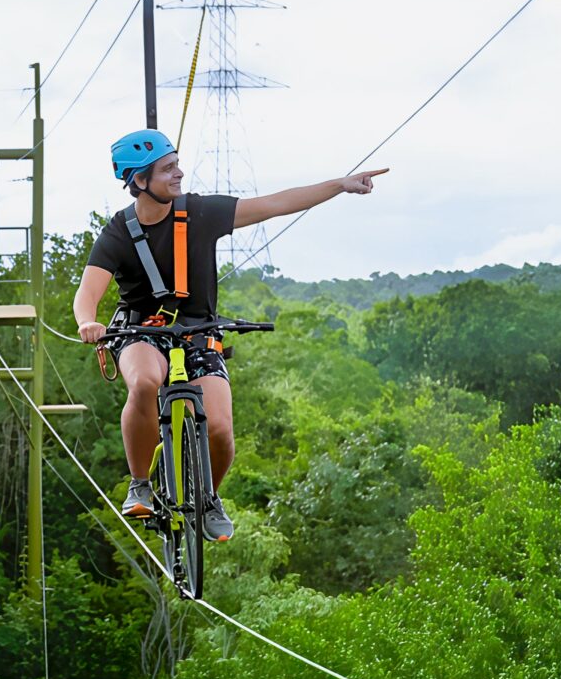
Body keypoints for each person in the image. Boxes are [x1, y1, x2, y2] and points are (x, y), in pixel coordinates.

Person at [73, 128, 385, 541]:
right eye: (167, 169)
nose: (179, 174)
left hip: (200, 330)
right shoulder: (119, 231)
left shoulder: (201, 213)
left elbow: (274, 204)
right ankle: (141, 483)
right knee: (146, 381)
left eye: (177, 165)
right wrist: (87, 322)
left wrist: (340, 185)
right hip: (142, 331)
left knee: (219, 428)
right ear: (140, 180)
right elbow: (88, 293)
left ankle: (209, 498)